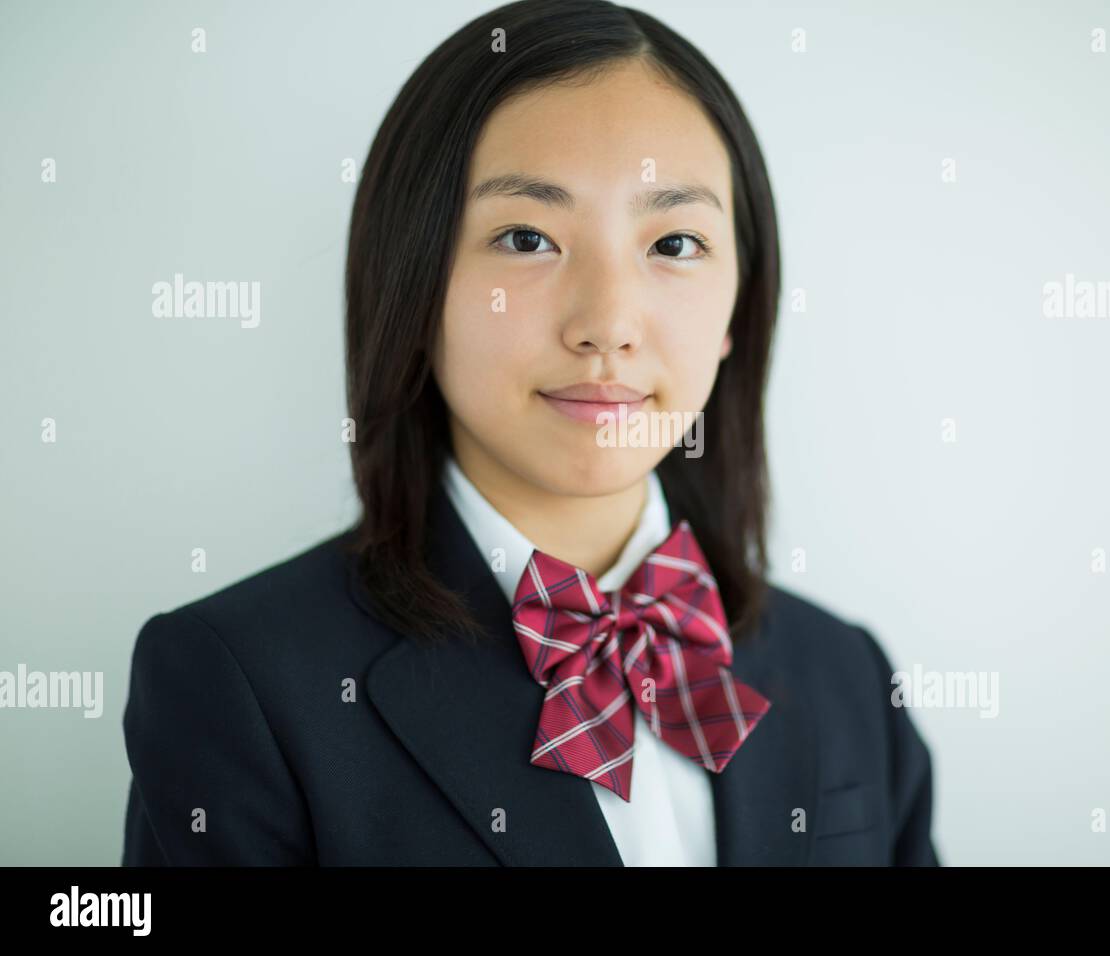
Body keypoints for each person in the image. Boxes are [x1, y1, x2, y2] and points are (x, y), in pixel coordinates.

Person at [121, 0, 940, 866]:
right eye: (526, 237)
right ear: (415, 284)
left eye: (675, 242)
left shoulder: (845, 673)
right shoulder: (240, 681)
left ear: (741, 304)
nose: (607, 324)